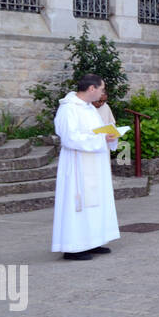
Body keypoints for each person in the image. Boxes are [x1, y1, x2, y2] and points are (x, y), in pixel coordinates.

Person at [52, 73, 120, 260]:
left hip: (94, 163)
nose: (102, 93)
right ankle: (74, 247)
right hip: (77, 165)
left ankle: (92, 241)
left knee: (96, 201)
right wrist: (100, 138)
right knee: (78, 203)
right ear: (91, 88)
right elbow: (69, 138)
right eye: (101, 89)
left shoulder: (89, 108)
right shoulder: (69, 109)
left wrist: (109, 136)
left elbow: (96, 132)